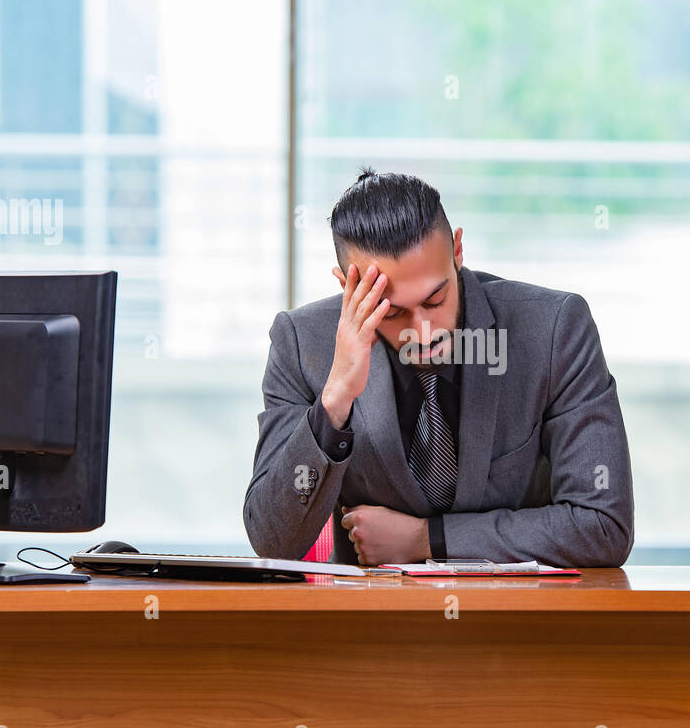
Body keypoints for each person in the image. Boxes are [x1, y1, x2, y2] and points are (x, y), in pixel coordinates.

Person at [243, 169, 634, 567]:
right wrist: (334, 401)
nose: (423, 332)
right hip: (371, 622)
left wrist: (428, 540)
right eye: (391, 311)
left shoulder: (552, 330)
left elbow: (603, 525)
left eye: (435, 299)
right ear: (348, 287)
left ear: (457, 251)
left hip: (517, 617)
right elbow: (274, 540)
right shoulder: (301, 343)